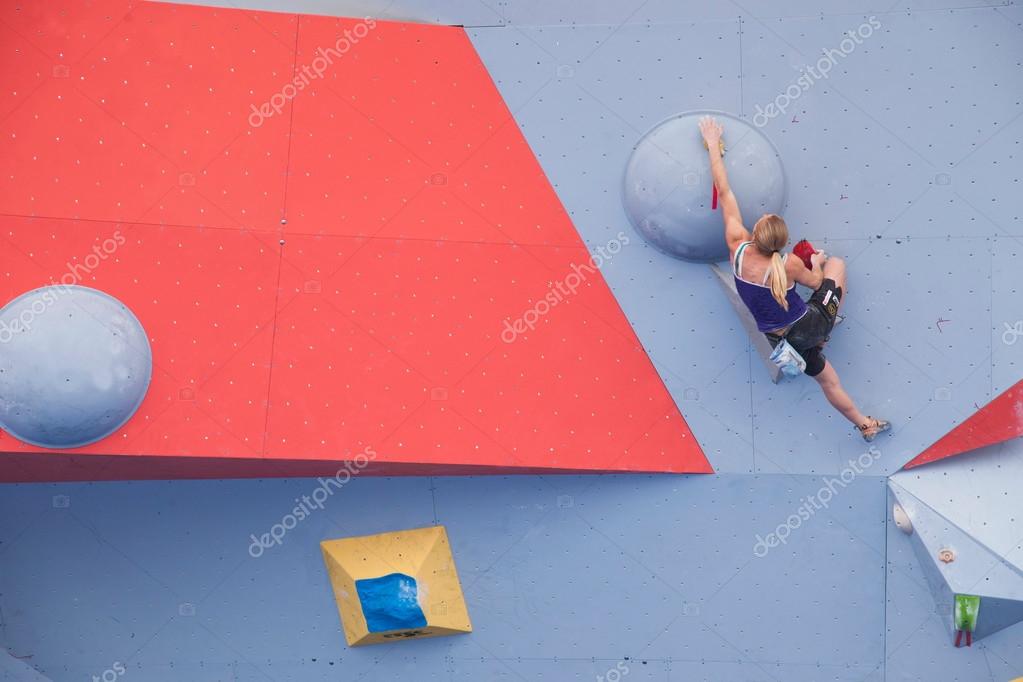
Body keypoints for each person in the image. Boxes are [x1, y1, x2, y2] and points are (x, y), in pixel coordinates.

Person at [698, 115, 890, 442]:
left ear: (754, 234)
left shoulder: (736, 247)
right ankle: (830, 323)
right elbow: (817, 283)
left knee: (827, 382)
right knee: (837, 266)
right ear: (781, 243)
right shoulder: (787, 265)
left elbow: (724, 188)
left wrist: (713, 147)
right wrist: (815, 262)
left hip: (781, 342)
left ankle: (863, 423)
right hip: (809, 326)